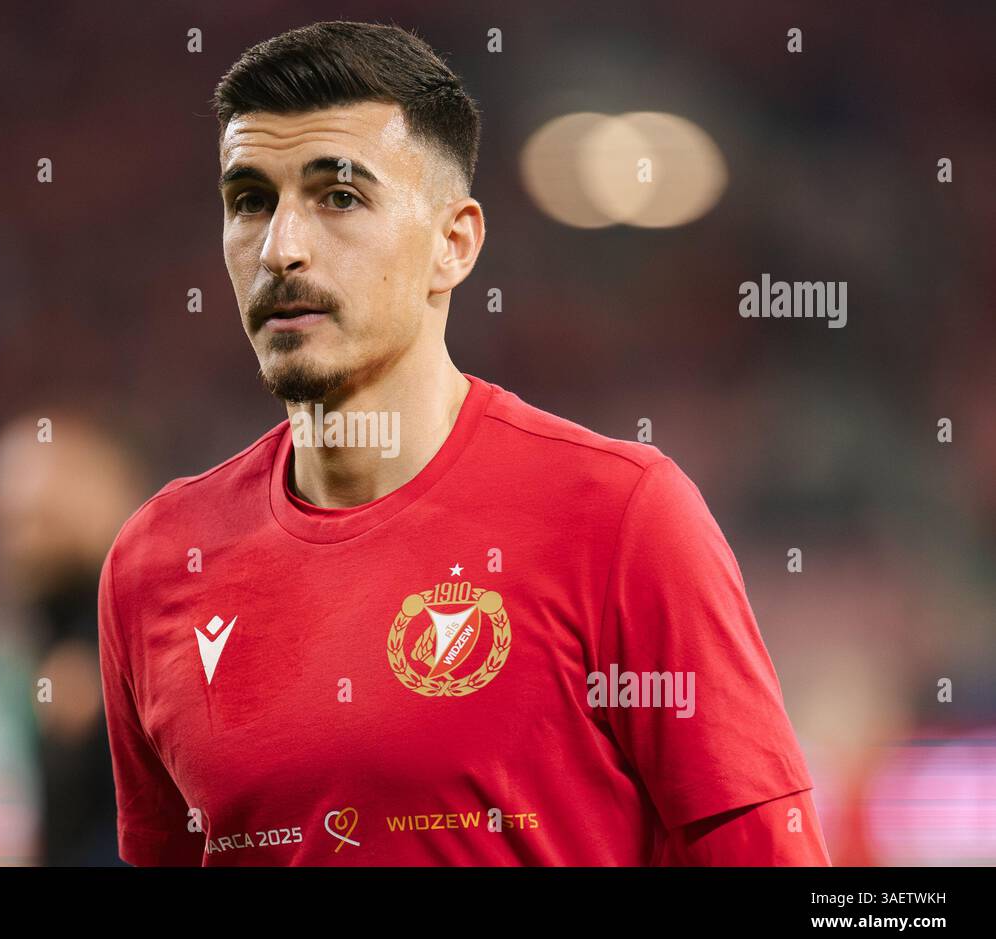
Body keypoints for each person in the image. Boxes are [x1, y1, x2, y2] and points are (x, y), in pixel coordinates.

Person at [97, 20, 830, 866]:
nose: (281, 248)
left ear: (454, 244)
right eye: (250, 199)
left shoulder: (622, 518)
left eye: (339, 197)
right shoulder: (157, 564)